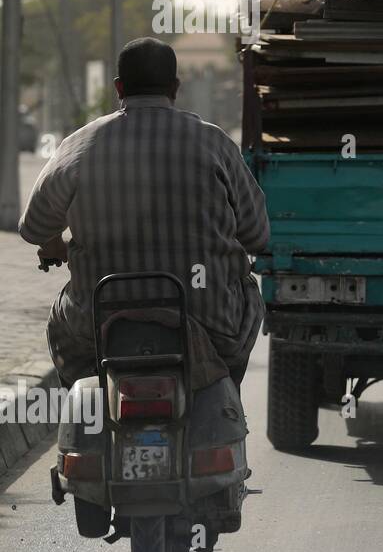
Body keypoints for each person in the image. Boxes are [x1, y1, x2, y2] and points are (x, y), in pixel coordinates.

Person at [18, 37, 269, 390]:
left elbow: (33, 226)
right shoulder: (214, 143)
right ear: (175, 88)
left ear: (119, 87)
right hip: (210, 322)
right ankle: (224, 401)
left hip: (96, 325)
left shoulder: (79, 145)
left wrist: (53, 243)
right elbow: (257, 234)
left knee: (60, 318)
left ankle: (89, 418)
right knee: (247, 295)